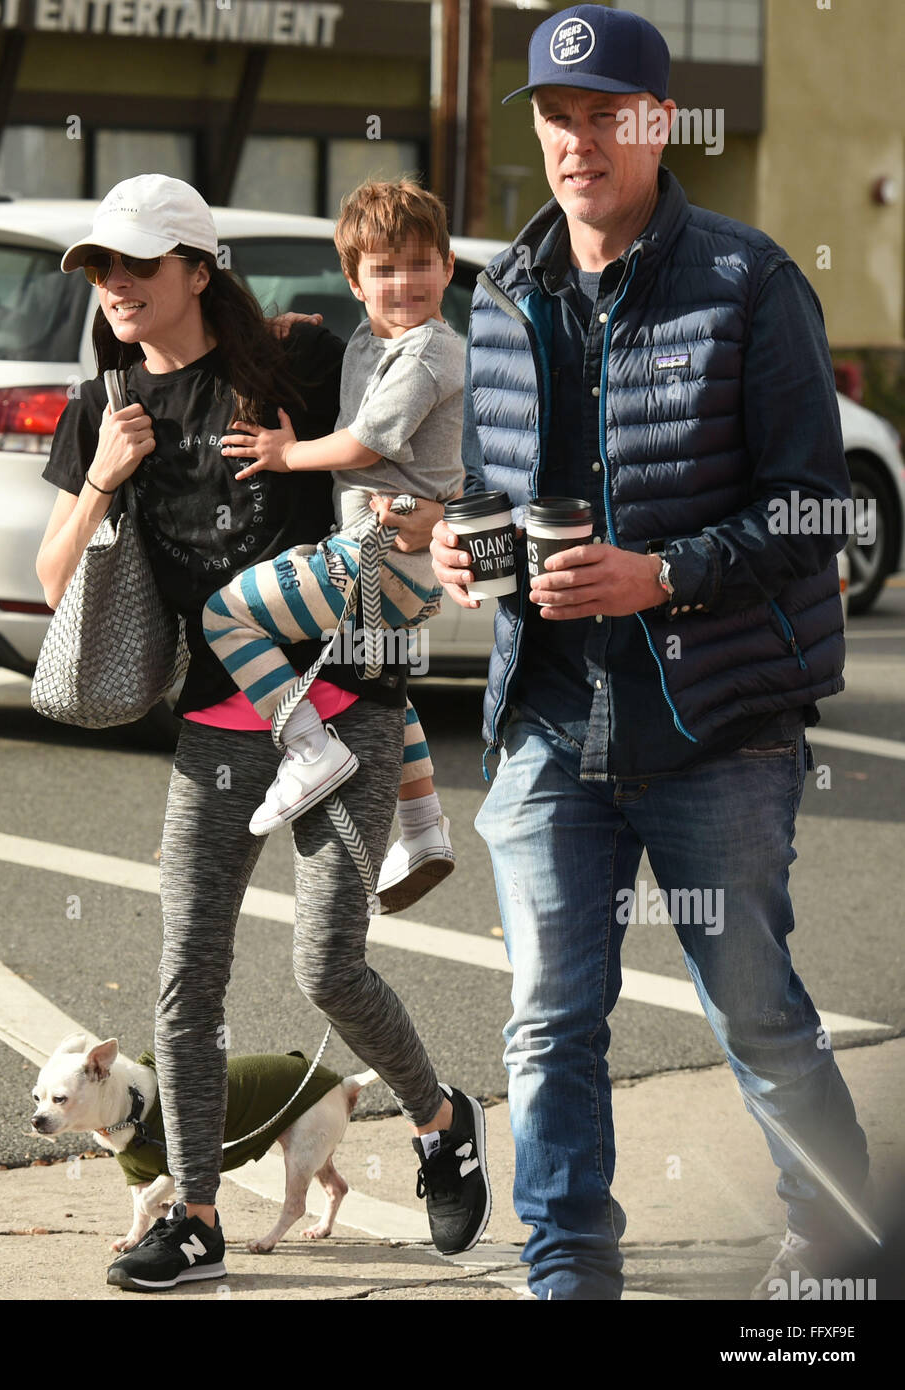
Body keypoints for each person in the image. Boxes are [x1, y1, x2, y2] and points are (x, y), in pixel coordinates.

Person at [430, 5, 870, 1301]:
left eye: (603, 115)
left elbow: (817, 510)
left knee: (755, 1010)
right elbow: (491, 475)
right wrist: (466, 550)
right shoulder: (504, 289)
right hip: (550, 718)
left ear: (659, 122)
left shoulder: (750, 282)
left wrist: (663, 574)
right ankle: (568, 1265)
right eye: (557, 118)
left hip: (715, 727)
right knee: (549, 1019)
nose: (577, 142)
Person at [36, 174, 490, 1291]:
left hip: (349, 699)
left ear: (199, 269)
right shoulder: (103, 403)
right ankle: (192, 1214)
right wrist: (103, 479)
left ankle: (439, 1118)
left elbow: (414, 473)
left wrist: (427, 519)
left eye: (140, 265)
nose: (118, 287)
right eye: (102, 268)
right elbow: (53, 580)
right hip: (217, 726)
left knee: (327, 966)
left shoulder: (292, 359)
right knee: (185, 978)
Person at [206, 178, 461, 912]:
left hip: (380, 557)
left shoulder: (428, 354)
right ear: (355, 279)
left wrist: (286, 456)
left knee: (228, 616)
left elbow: (363, 441)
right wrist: (285, 329)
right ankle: (423, 829)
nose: (403, 284)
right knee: (379, 681)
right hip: (393, 564)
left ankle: (309, 747)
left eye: (420, 265)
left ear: (447, 267)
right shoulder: (369, 339)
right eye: (383, 269)